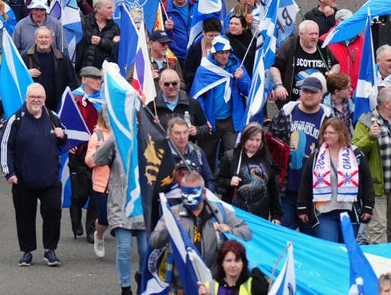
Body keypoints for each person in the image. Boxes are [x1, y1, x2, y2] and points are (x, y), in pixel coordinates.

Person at [150, 170, 252, 293]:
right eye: (184, 193)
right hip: (181, 285)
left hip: (212, 285)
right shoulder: (173, 213)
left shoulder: (218, 212)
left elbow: (247, 232)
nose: (188, 198)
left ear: (204, 193)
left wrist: (229, 230)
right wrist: (169, 227)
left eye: (193, 193)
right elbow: (154, 242)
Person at [1, 82, 67, 267]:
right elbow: (6, 147)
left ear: (45, 99)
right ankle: (27, 252)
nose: (36, 100)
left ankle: (50, 251)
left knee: (53, 213)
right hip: (23, 180)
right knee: (24, 216)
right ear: (26, 98)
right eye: (32, 97)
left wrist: (63, 135)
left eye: (39, 97)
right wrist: (9, 173)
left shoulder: (53, 117)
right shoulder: (16, 120)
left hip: (50, 179)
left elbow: (64, 144)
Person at [91, 115, 148, 295]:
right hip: (120, 202)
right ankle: (125, 288)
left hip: (142, 202)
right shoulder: (117, 138)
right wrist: (113, 138)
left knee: (145, 250)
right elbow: (97, 160)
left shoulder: (150, 138)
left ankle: (141, 277)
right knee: (124, 248)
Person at [269, 73, 332, 229]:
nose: (309, 95)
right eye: (305, 91)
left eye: (313, 92)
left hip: (314, 191)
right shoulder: (286, 113)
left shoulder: (328, 118)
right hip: (286, 189)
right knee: (283, 235)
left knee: (310, 240)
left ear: (321, 95)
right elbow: (271, 144)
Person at [353, 87, 391, 244]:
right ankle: (379, 265)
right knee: (378, 229)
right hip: (377, 186)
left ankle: (389, 262)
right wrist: (369, 137)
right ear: (387, 104)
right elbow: (354, 151)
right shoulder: (367, 121)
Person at [297, 116, 374, 241]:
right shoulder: (317, 155)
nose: (327, 136)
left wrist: (368, 206)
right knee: (329, 249)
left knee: (346, 249)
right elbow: (305, 181)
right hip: (324, 211)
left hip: (349, 210)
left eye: (331, 133)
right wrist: (302, 207)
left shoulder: (356, 154)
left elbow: (367, 181)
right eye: (325, 133)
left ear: (340, 133)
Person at [192, 36, 252, 173]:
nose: (225, 56)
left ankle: (229, 185)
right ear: (214, 54)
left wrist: (241, 79)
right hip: (211, 122)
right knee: (205, 156)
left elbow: (248, 90)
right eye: (221, 53)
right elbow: (197, 96)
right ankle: (206, 186)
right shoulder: (205, 69)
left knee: (234, 154)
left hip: (232, 120)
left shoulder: (237, 66)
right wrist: (204, 119)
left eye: (227, 52)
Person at [66, 66, 104, 243]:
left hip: (99, 149)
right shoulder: (73, 97)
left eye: (100, 79)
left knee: (97, 191)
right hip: (79, 151)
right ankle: (75, 209)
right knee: (81, 191)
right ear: (85, 80)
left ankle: (91, 230)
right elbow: (63, 121)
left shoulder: (103, 99)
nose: (99, 82)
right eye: (95, 79)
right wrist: (68, 142)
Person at [220, 122, 280, 222]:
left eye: (258, 140)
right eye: (251, 139)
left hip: (259, 219)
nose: (254, 144)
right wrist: (229, 182)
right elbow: (217, 182)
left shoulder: (268, 160)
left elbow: (274, 190)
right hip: (234, 217)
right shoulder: (230, 157)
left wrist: (276, 215)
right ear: (244, 139)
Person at [23, 26, 75, 111]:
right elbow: (16, 80)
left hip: (57, 107)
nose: (44, 40)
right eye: (41, 37)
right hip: (33, 108)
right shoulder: (26, 58)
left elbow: (73, 82)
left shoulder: (62, 59)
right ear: (35, 39)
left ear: (51, 39)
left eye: (46, 37)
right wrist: (26, 74)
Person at [196, 240, 267, 295]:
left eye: (237, 261)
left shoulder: (253, 284)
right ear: (222, 263)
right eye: (228, 261)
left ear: (243, 263)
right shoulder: (209, 287)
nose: (233, 265)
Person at [75, 0, 120, 71]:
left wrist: (101, 42)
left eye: (112, 8)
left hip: (105, 71)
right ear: (98, 9)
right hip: (85, 70)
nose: (112, 11)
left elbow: (117, 50)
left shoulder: (115, 27)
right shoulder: (84, 23)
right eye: (109, 8)